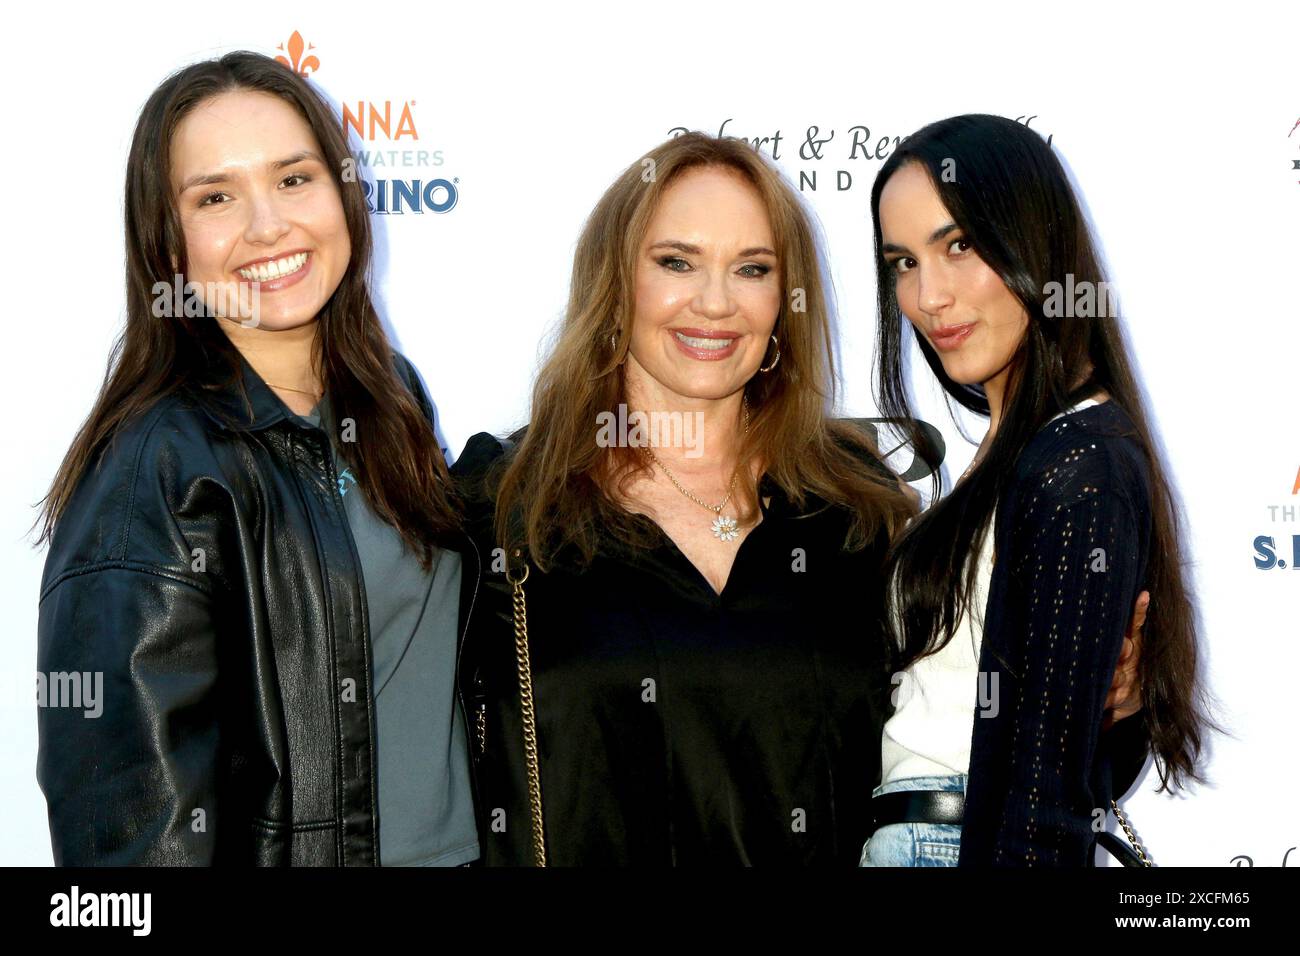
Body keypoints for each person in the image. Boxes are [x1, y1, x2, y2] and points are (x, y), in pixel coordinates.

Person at [452, 131, 1146, 866]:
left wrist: (1111, 713)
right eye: (676, 262)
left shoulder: (856, 512)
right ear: (613, 283)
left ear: (784, 304)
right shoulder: (502, 505)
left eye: (752, 269)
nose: (715, 303)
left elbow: (965, 759)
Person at [35, 52, 480, 866]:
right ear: (169, 245)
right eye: (215, 197)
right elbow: (133, 833)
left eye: (294, 179)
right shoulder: (154, 472)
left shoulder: (391, 399)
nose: (268, 225)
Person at [859, 114, 1218, 867]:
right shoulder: (1014, 455)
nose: (929, 296)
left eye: (960, 245)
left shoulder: (1076, 460)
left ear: (1035, 243)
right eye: (902, 262)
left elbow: (1044, 806)